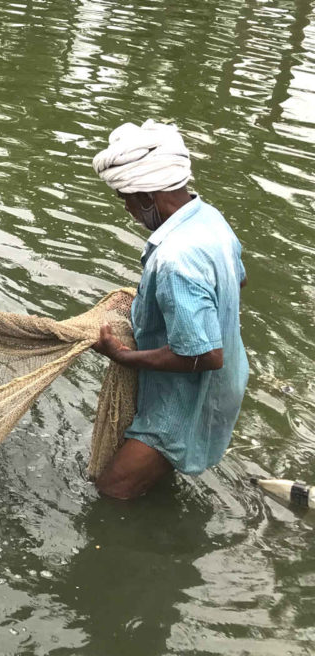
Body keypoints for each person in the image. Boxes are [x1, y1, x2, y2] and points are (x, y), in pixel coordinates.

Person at [91, 120, 248, 499]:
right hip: (225, 386)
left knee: (112, 493)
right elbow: (237, 282)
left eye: (127, 198)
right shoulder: (209, 218)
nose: (127, 208)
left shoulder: (176, 259)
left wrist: (126, 356)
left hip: (183, 405)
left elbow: (205, 355)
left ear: (148, 198)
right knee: (152, 485)